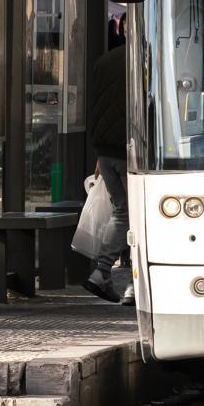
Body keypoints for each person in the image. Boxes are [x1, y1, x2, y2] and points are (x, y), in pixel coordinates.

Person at [79, 31, 133, 305]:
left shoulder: (104, 61)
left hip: (106, 150)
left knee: (123, 211)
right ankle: (129, 282)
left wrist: (99, 154)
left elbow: (97, 106)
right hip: (131, 150)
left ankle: (104, 273)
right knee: (137, 214)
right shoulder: (142, 60)